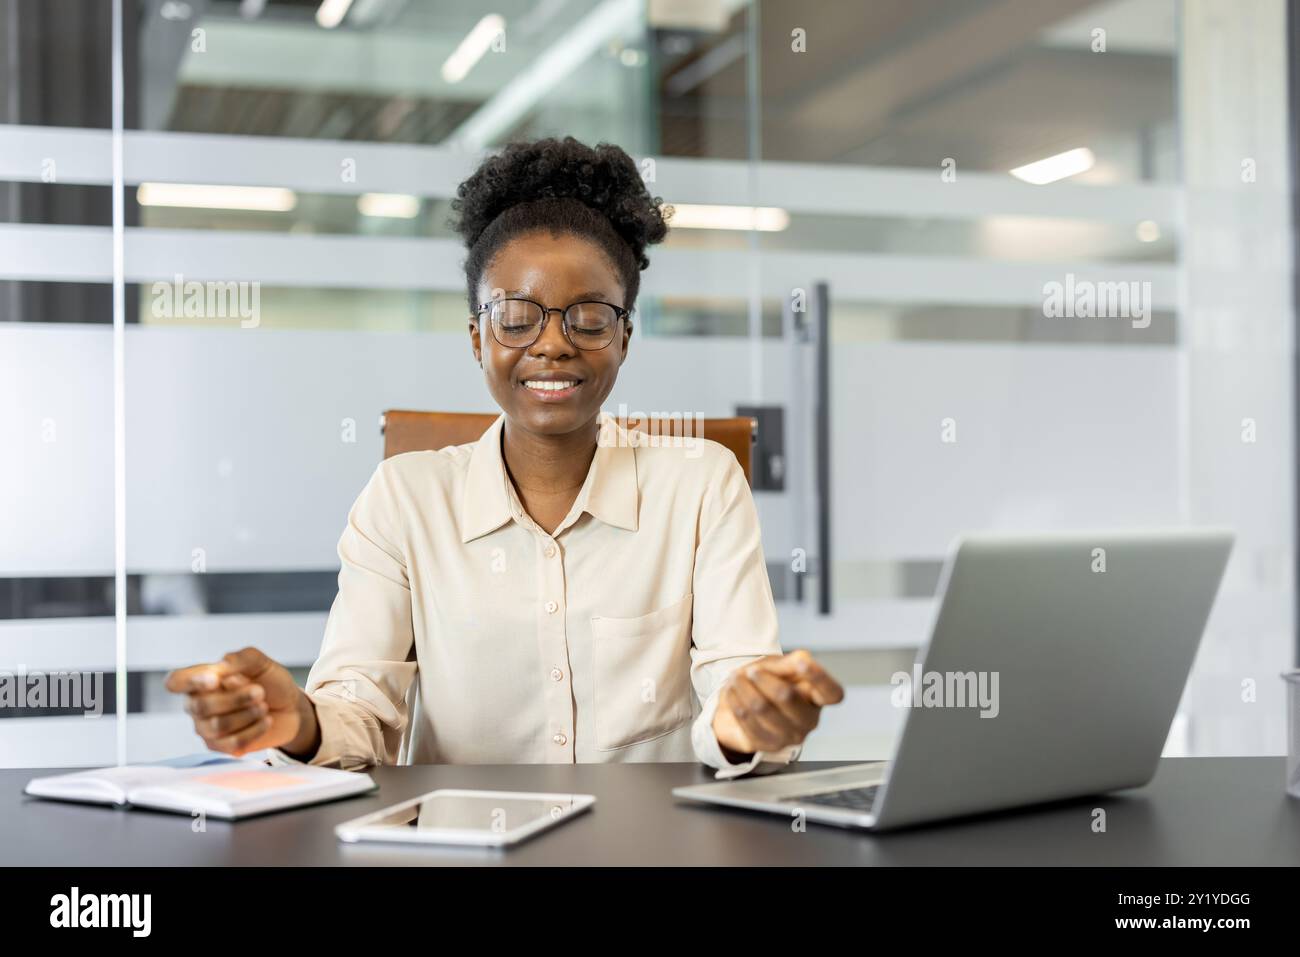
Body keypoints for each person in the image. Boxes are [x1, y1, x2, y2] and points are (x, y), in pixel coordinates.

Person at [165, 136, 843, 779]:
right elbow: (359, 714)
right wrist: (301, 722)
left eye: (589, 316)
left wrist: (751, 715)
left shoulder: (700, 485)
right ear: (476, 337)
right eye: (517, 316)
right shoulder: (404, 499)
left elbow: (736, 682)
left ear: (625, 337)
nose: (552, 345)